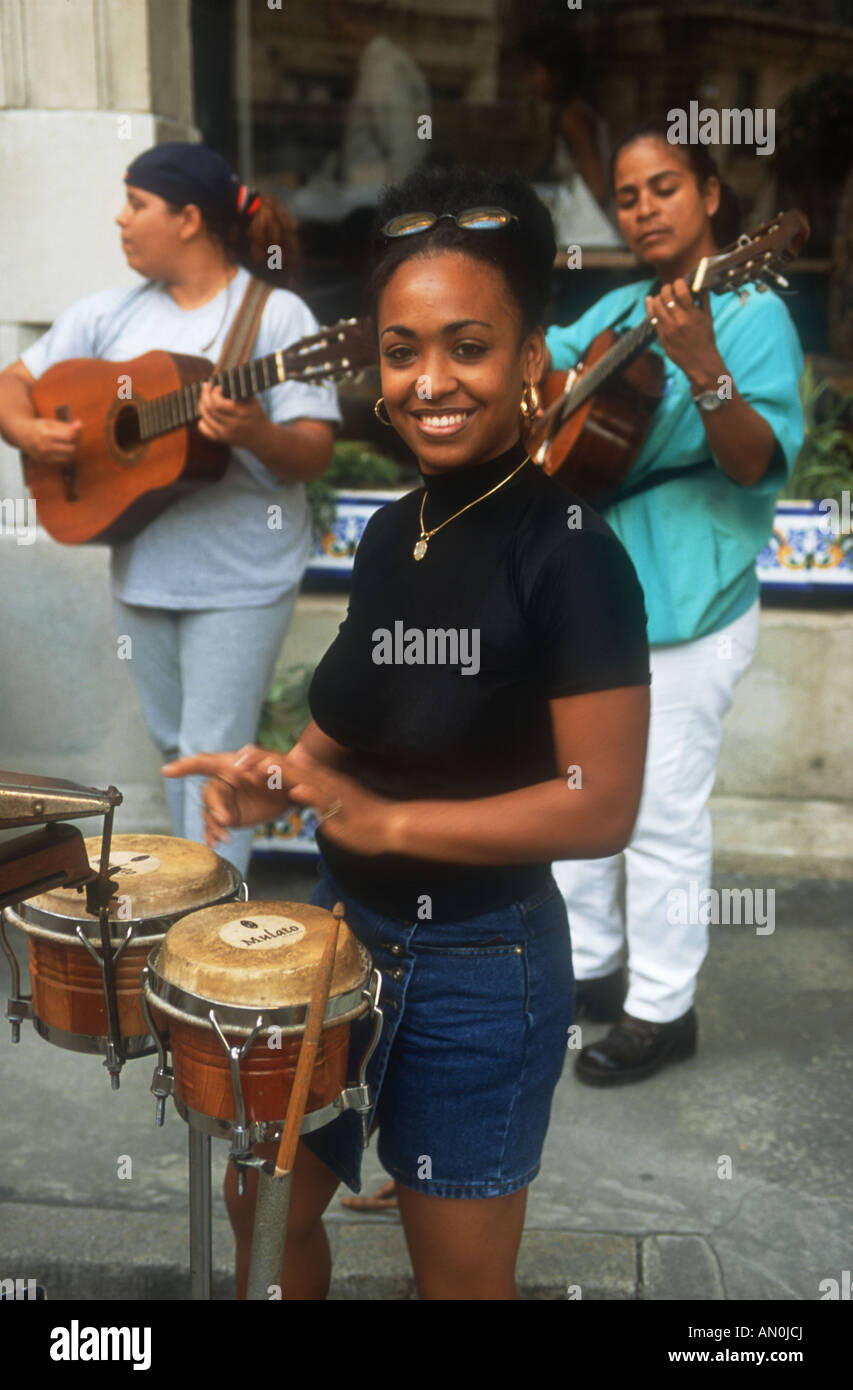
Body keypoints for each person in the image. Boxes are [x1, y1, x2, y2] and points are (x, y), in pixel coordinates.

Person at [163, 166, 651, 1301]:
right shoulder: (394, 533)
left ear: (531, 361)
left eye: (467, 347)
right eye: (400, 351)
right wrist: (275, 773)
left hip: (484, 966)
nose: (429, 380)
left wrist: (393, 819)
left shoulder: (571, 551)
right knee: (263, 1203)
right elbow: (343, 736)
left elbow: (598, 802)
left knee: (459, 1282)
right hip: (340, 940)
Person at [543, 123, 805, 1084]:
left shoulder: (749, 311)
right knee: (580, 796)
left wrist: (703, 366)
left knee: (658, 814)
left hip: (691, 606)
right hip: (594, 600)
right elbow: (540, 383)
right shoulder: (617, 306)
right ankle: (588, 967)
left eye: (663, 187)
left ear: (709, 199)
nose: (643, 207)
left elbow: (750, 458)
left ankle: (662, 1007)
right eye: (626, 194)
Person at [0, 143, 340, 878]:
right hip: (145, 568)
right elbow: (13, 383)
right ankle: (188, 917)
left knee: (217, 753)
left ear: (189, 219)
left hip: (240, 572)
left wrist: (255, 432)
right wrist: (30, 431)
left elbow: (313, 449)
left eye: (136, 203)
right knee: (173, 749)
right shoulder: (109, 312)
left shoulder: (274, 317)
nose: (119, 220)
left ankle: (209, 926)